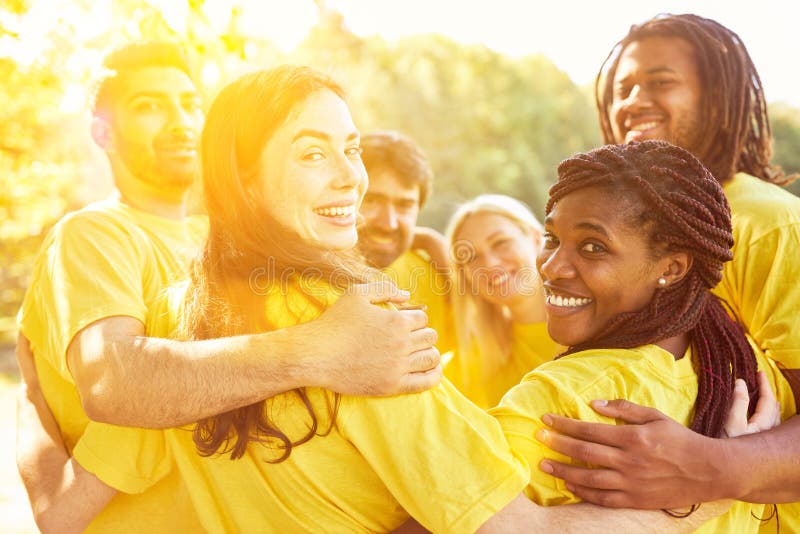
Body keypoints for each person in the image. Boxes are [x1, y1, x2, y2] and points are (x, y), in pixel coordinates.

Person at [31, 67, 738, 534]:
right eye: (312, 154)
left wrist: (38, 416)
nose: (349, 179)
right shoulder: (362, 327)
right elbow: (525, 530)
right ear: (242, 180)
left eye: (350, 148)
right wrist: (713, 486)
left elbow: (64, 515)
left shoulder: (180, 315)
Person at [15, 42, 441, 532]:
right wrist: (317, 351)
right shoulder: (95, 234)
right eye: (149, 106)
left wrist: (430, 241)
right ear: (102, 132)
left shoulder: (222, 239)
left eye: (190, 103)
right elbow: (114, 382)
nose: (179, 120)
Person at [532, 13, 800, 528]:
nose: (633, 101)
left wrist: (714, 467)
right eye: (623, 87)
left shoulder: (768, 224)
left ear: (718, 96)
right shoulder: (611, 233)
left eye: (661, 82)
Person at [489, 140, 792, 532]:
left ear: (672, 267)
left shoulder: (565, 402)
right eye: (552, 239)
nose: (551, 267)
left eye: (593, 247)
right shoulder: (745, 372)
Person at [444, 194, 562, 408]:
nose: (489, 263)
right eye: (471, 257)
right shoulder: (467, 368)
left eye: (500, 243)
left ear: (537, 239)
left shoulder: (598, 331)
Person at [358, 130, 456, 357]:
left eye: (404, 205)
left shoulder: (436, 276)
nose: (388, 223)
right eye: (371, 200)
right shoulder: (301, 275)